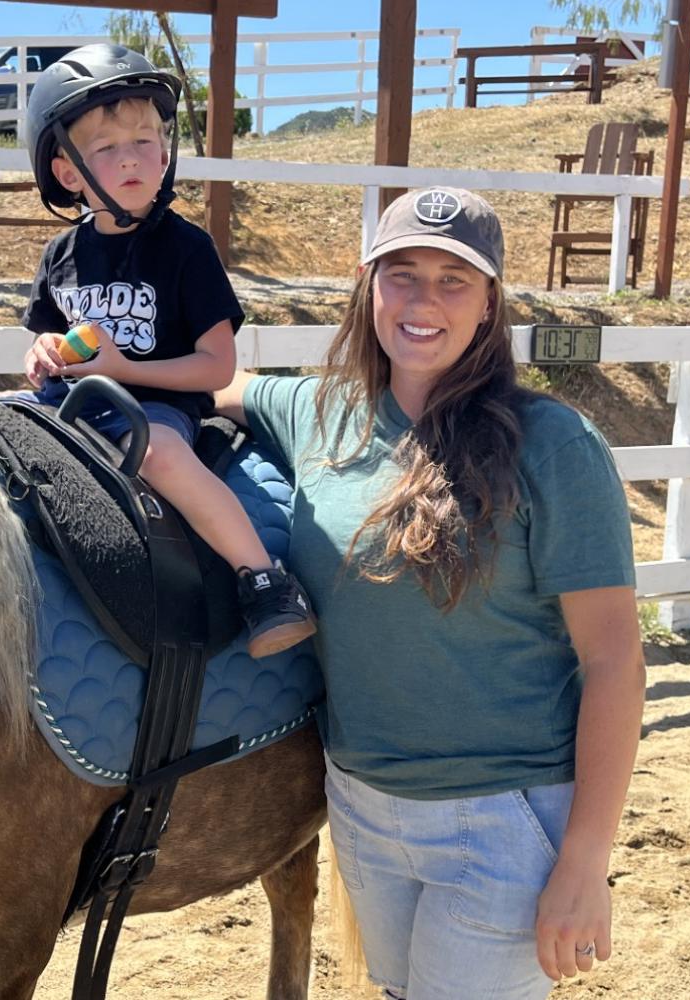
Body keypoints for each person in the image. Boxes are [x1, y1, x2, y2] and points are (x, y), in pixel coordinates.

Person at [213, 187, 645, 997]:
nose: (423, 300)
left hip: (502, 821)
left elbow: (615, 660)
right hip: (363, 809)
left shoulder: (552, 445)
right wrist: (78, 357)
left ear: (489, 305)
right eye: (402, 274)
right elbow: (215, 385)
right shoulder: (321, 414)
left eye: (455, 280)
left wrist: (587, 860)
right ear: (368, 285)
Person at [9, 43, 316, 656]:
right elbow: (44, 340)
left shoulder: (186, 249)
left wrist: (127, 368)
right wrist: (42, 353)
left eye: (145, 141)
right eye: (107, 148)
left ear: (167, 152)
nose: (131, 159)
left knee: (162, 455)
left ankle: (263, 580)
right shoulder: (60, 257)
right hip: (72, 406)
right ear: (68, 173)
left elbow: (218, 366)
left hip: (154, 409)